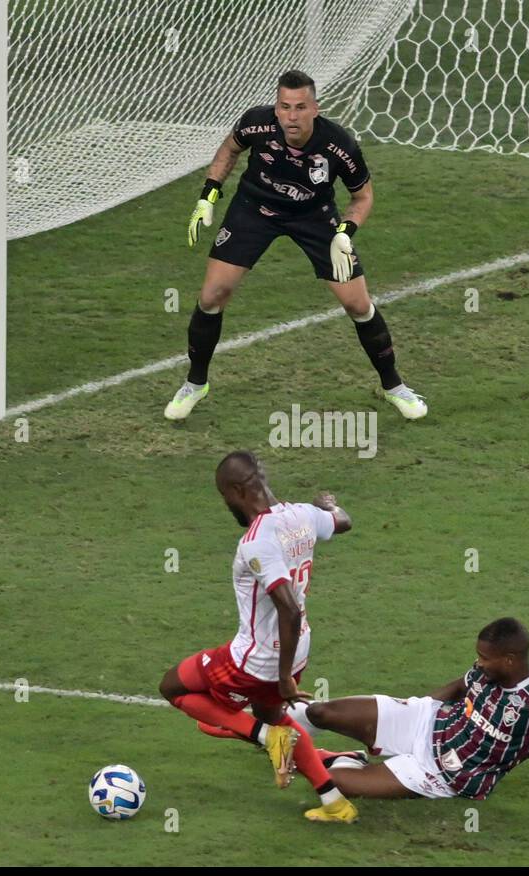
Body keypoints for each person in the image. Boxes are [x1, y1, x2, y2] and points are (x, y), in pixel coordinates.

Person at [165, 69, 427, 422]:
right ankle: (195, 384)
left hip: (314, 217)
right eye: (285, 106)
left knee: (357, 303)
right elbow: (229, 149)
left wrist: (344, 234)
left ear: (315, 109)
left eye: (300, 107)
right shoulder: (256, 124)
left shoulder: (339, 145)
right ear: (276, 108)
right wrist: (208, 196)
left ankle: (393, 386)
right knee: (213, 295)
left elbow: (362, 196)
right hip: (253, 208)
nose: (291, 116)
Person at [158, 450, 359, 822]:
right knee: (274, 717)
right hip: (298, 649)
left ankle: (266, 738)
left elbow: (288, 607)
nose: (225, 505)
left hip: (256, 659)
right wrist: (329, 504)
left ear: (236, 491)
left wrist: (282, 679)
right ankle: (335, 802)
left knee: (174, 688)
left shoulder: (256, 542)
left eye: (224, 496)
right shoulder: (302, 514)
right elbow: (342, 521)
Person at [291, 617, 529, 828]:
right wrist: (418, 708)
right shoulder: (488, 670)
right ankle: (263, 730)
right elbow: (461, 684)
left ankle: (348, 760)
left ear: (510, 659)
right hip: (427, 722)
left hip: (440, 774)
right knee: (319, 712)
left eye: (485, 657)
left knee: (330, 782)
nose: (479, 662)